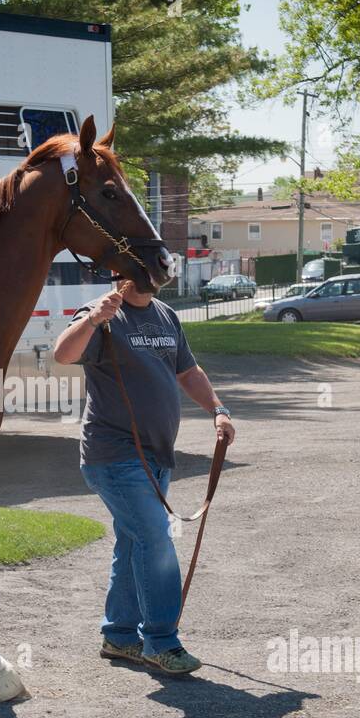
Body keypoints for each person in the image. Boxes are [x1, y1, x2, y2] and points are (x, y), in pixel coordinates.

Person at [53, 279, 235, 674]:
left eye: (158, 268)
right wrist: (92, 320)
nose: (154, 275)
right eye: (143, 266)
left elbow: (188, 371)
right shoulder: (103, 314)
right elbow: (63, 355)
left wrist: (218, 409)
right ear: (121, 271)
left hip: (155, 458)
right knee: (156, 538)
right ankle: (161, 642)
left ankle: (119, 636)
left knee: (135, 544)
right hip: (114, 457)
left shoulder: (165, 315)